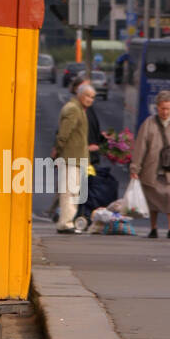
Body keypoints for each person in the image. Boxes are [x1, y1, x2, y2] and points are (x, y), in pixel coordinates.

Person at [52, 80, 95, 233]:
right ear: (80, 94)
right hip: (71, 157)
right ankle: (65, 223)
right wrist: (58, 150)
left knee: (72, 190)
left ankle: (66, 221)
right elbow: (64, 133)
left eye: (92, 97)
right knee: (69, 191)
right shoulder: (74, 109)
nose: (90, 99)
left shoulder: (78, 109)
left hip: (76, 157)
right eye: (87, 96)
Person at [129, 89, 170, 239]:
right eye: (162, 108)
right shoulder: (149, 123)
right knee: (153, 201)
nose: (165, 112)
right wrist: (135, 167)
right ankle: (153, 228)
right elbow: (140, 147)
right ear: (157, 107)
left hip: (169, 171)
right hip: (152, 168)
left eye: (168, 108)